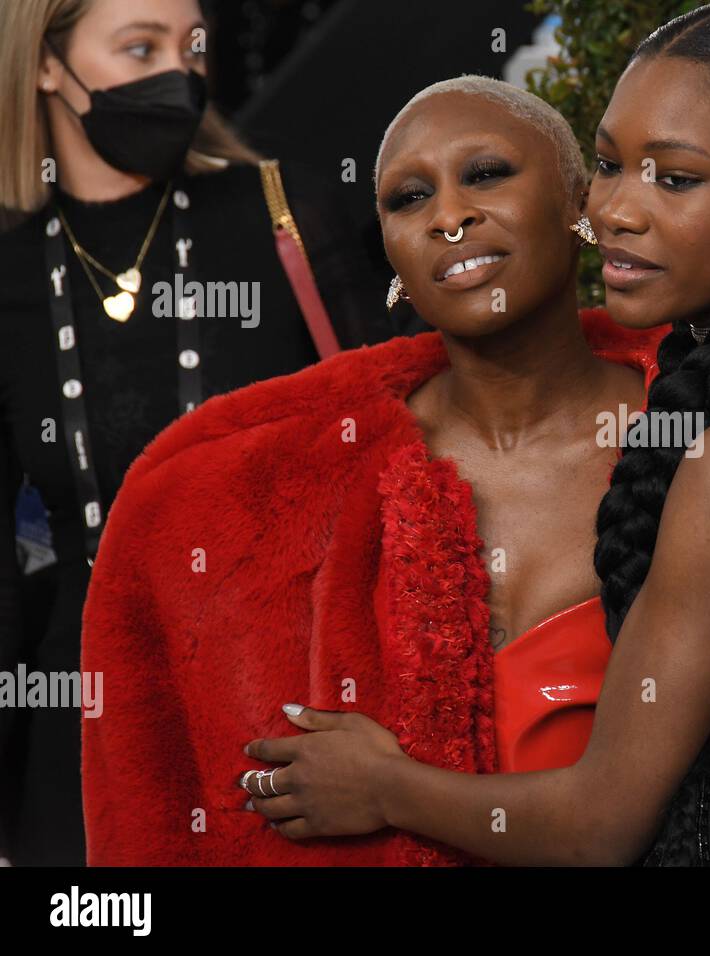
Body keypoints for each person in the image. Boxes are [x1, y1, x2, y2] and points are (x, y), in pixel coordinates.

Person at [79, 71, 710, 866]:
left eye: (486, 173)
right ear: (392, 258)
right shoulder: (296, 486)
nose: (450, 215)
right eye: (408, 198)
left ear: (579, 208)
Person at [0, 0, 393, 864]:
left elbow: (398, 450)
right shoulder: (11, 272)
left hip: (295, 709)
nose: (176, 74)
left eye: (191, 47)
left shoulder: (282, 211)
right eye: (140, 47)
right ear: (44, 66)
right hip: (80, 730)